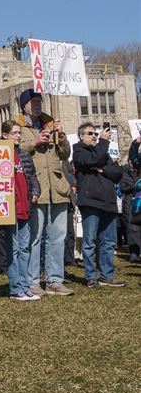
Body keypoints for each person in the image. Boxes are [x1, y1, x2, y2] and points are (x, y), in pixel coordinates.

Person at [15, 90, 73, 296]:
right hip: (36, 188)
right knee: (35, 237)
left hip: (57, 188)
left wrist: (62, 137)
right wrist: (34, 143)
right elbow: (15, 150)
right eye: (33, 101)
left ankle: (55, 280)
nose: (38, 104)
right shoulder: (19, 127)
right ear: (24, 106)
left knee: (57, 236)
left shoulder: (50, 123)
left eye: (39, 101)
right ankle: (32, 281)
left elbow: (65, 154)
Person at [72, 122, 126, 287]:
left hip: (108, 202)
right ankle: (91, 276)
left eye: (96, 133)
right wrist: (103, 142)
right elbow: (91, 160)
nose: (95, 136)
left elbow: (118, 173)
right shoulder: (79, 151)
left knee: (108, 241)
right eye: (90, 133)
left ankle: (106, 275)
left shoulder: (103, 153)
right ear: (81, 136)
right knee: (90, 241)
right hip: (91, 202)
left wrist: (103, 169)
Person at [2, 120, 41, 301]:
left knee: (25, 248)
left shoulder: (24, 155)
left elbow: (32, 176)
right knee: (15, 248)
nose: (18, 136)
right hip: (10, 208)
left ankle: (25, 286)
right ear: (5, 135)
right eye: (14, 133)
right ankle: (15, 287)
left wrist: (34, 192)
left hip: (25, 207)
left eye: (19, 133)